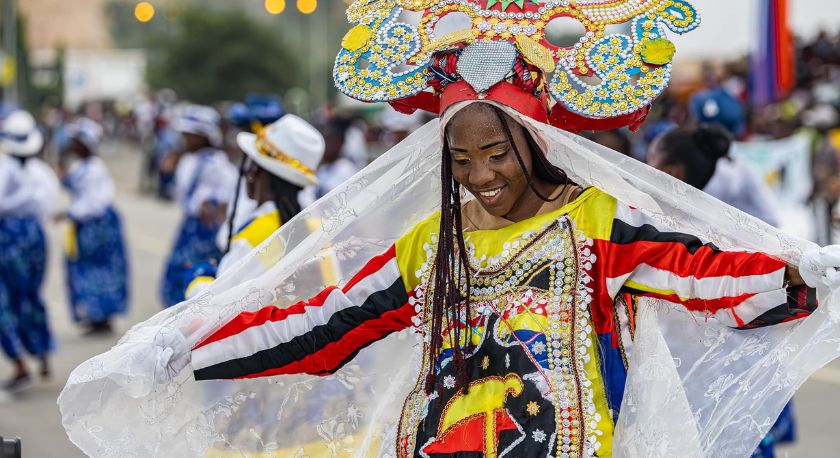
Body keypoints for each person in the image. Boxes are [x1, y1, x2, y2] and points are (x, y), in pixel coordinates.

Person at [59, 2, 840, 456]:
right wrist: (185, 349)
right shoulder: (429, 245)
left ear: (536, 142)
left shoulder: (600, 225)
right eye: (459, 159)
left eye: (495, 153)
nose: (478, 175)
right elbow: (313, 326)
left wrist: (800, 274)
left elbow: (706, 273)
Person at [185, 114, 325, 299]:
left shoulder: (256, 237)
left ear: (255, 171)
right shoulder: (314, 227)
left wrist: (199, 276)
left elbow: (214, 306)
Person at [0, 110, 58, 391]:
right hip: (35, 237)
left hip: (8, 238)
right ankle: (41, 353)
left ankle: (21, 363)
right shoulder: (42, 172)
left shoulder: (4, 167)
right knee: (31, 297)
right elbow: (46, 207)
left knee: (5, 302)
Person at [56, 117, 129, 335]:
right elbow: (66, 181)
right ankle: (96, 315)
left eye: (75, 141)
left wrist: (69, 213)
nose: (71, 145)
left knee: (99, 270)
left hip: (97, 227)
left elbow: (93, 204)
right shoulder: (82, 166)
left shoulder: (95, 170)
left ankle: (103, 315)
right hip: (87, 225)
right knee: (87, 270)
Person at [159, 104, 237, 307]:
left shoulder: (215, 163)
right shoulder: (189, 159)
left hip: (206, 229)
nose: (185, 138)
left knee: (197, 272)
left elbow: (227, 191)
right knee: (178, 270)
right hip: (190, 224)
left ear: (204, 136)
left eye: (191, 134)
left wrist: (214, 204)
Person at [647, 125, 780, 226]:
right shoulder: (736, 169)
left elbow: (772, 220)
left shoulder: (698, 208)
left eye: (652, 159)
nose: (646, 166)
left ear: (672, 171)